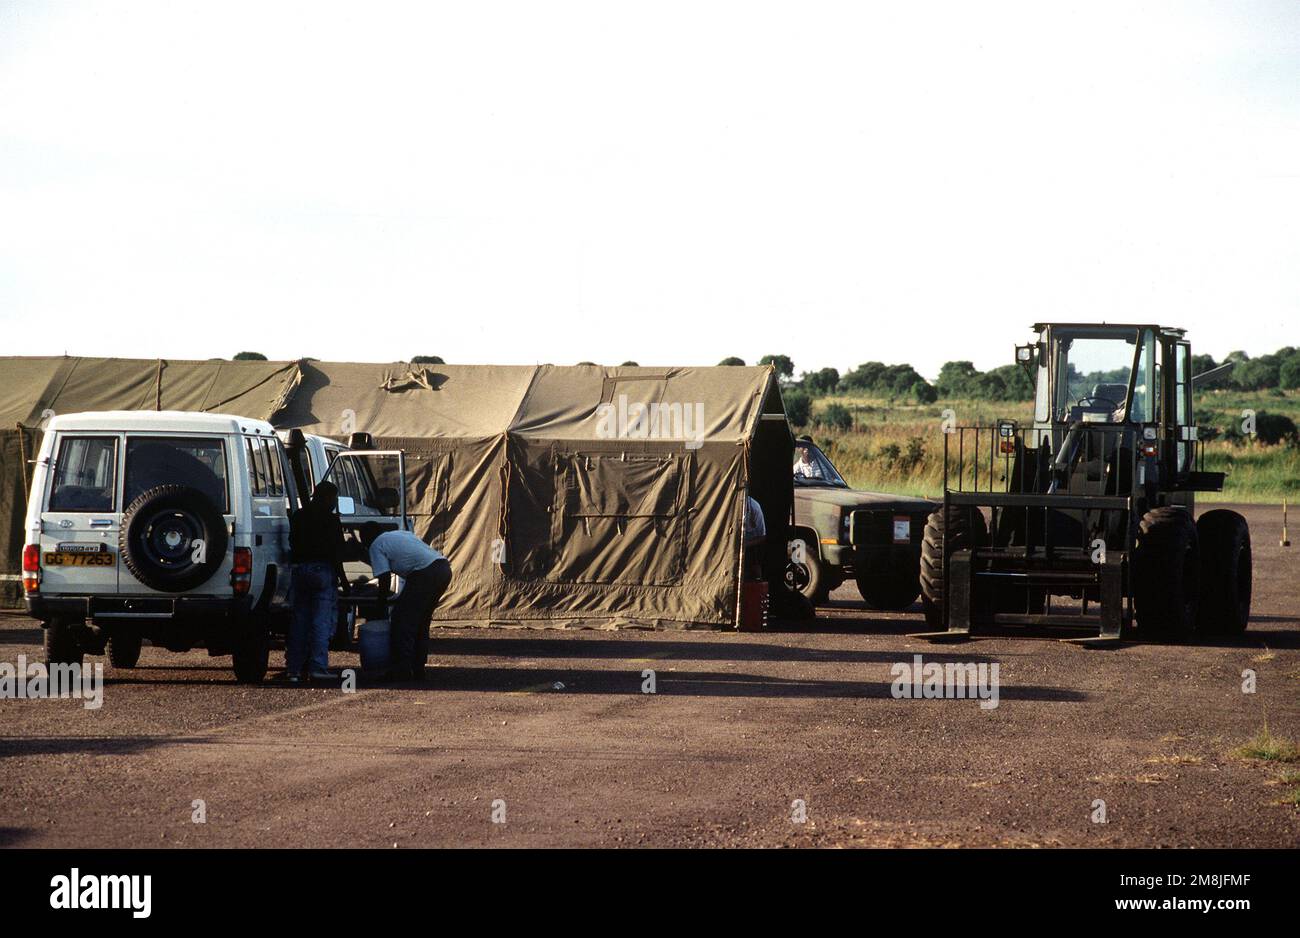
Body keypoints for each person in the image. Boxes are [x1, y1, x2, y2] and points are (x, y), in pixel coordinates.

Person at [359, 523, 453, 682]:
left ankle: (401, 669)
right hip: (443, 568)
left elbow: (384, 578)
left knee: (402, 620)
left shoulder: (375, 545)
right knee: (421, 621)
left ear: (366, 539)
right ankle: (418, 667)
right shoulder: (399, 534)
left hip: (424, 573)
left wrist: (381, 605)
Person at [287, 481, 349, 683]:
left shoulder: (298, 516)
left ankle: (294, 670)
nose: (334, 503)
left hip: (299, 570)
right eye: (334, 498)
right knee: (321, 622)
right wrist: (344, 580)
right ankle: (318, 667)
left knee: (299, 622)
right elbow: (336, 552)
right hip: (322, 571)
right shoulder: (331, 520)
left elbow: (291, 542)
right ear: (328, 497)